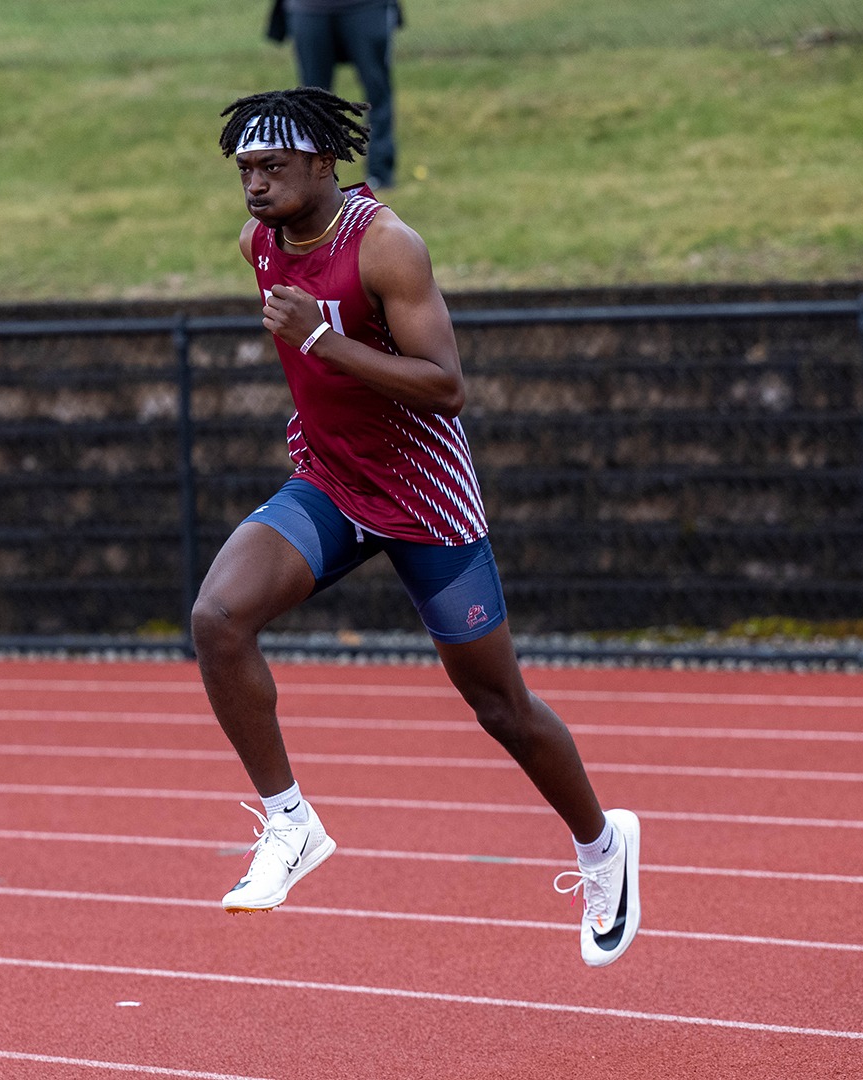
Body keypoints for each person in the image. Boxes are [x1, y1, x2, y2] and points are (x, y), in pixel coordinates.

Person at [195, 87, 640, 967]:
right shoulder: (259, 245)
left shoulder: (387, 247)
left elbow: (446, 386)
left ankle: (602, 846)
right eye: (244, 170)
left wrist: (322, 340)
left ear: (325, 164)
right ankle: (291, 826)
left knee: (498, 705)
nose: (255, 186)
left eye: (273, 168)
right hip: (329, 480)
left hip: (425, 497)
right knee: (218, 617)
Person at [274, 0, 399, 190]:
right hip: (309, 9)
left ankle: (380, 173)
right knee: (312, 100)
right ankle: (316, 172)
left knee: (377, 91)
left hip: (367, 7)